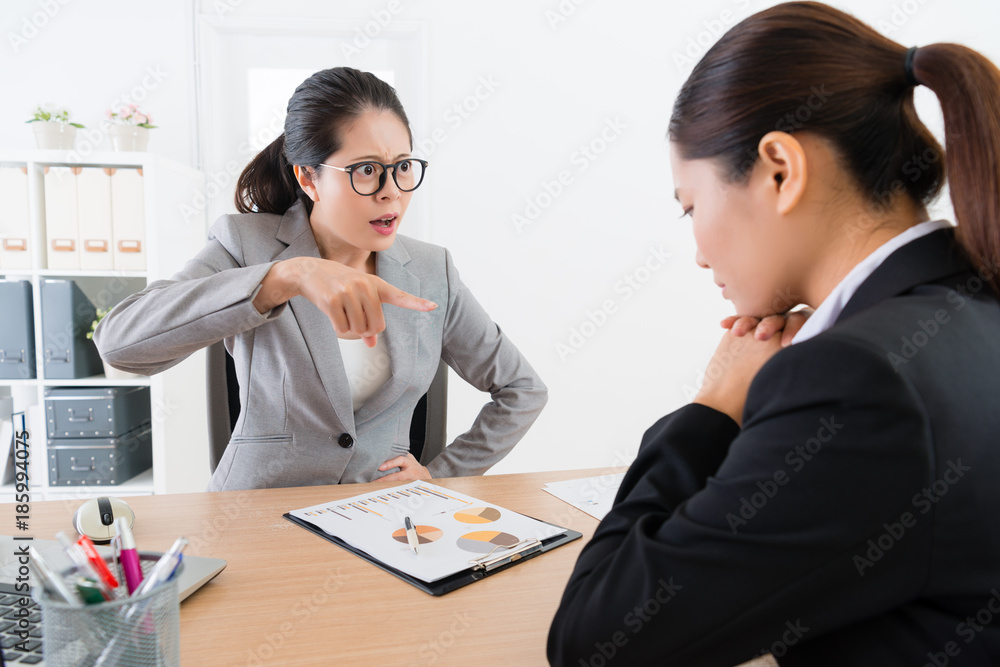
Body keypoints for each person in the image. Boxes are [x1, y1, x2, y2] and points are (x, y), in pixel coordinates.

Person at [548, 2, 1000, 665]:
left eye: (691, 206)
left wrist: (710, 409)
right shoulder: (974, 304)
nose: (700, 253)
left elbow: (595, 640)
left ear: (781, 170)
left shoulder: (858, 381)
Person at [95, 67, 547, 492]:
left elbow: (522, 390)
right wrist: (285, 277)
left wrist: (442, 477)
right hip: (256, 518)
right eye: (366, 170)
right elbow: (119, 344)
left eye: (403, 166)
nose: (391, 189)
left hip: (379, 520)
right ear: (308, 178)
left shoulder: (431, 271)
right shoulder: (245, 245)